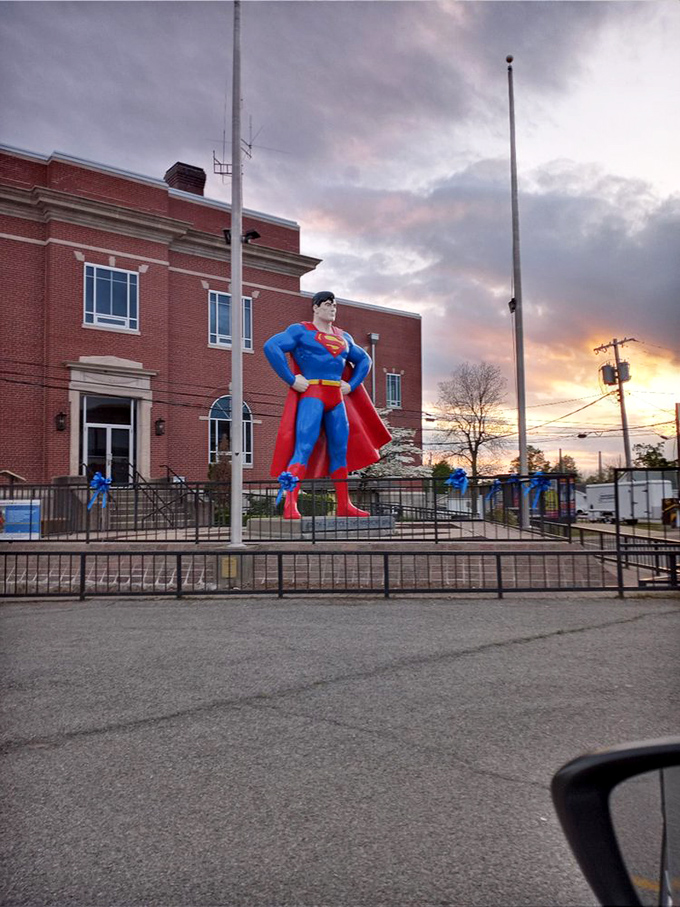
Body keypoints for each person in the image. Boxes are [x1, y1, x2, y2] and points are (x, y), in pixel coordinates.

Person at [264, 291, 391, 519]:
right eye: (328, 304)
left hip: (336, 397)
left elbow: (365, 360)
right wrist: (291, 379)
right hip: (312, 394)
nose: (332, 308)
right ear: (315, 307)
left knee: (340, 451)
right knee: (303, 447)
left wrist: (351, 385)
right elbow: (271, 346)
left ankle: (344, 504)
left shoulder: (344, 337)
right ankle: (290, 503)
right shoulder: (301, 331)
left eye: (334, 305)